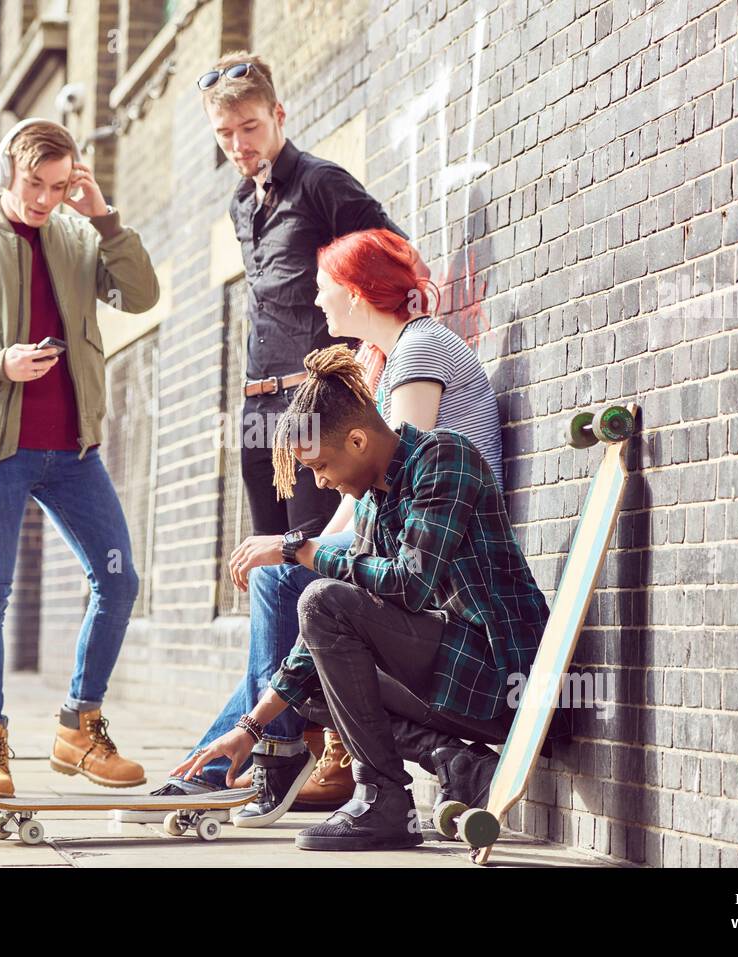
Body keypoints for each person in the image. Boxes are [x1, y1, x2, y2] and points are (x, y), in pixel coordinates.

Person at [120, 52, 428, 822]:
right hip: (260, 413)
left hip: (312, 413)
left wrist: (366, 356)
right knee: (272, 579)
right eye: (225, 133)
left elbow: (395, 265)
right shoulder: (240, 205)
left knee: (302, 570)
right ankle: (279, 744)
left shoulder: (323, 184)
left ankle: (278, 748)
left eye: (250, 126)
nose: (240, 143)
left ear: (279, 116)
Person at [124, 228, 510, 827]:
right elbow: (366, 504)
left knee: (299, 589)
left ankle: (277, 758)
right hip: (430, 591)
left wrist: (294, 549)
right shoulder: (380, 360)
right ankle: (268, 749)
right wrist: (250, 722)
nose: (316, 298)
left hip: (454, 588)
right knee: (312, 616)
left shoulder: (421, 352)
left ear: (356, 292)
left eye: (325, 286)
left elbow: (396, 481)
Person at [174, 345, 550, 851]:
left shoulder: (444, 458)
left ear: (357, 439)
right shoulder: (373, 503)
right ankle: (452, 760)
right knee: (307, 679)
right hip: (451, 681)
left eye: (321, 464)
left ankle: (381, 799)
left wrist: (299, 550)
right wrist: (250, 727)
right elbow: (324, 638)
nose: (321, 480)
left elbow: (408, 584)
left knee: (321, 600)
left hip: (502, 676)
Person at [0, 118, 160, 797]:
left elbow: (142, 297)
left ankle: (79, 726)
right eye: (34, 184)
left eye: (59, 185)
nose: (45, 199)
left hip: (73, 450)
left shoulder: (78, 236)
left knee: (119, 580)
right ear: (3, 171)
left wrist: (102, 217)